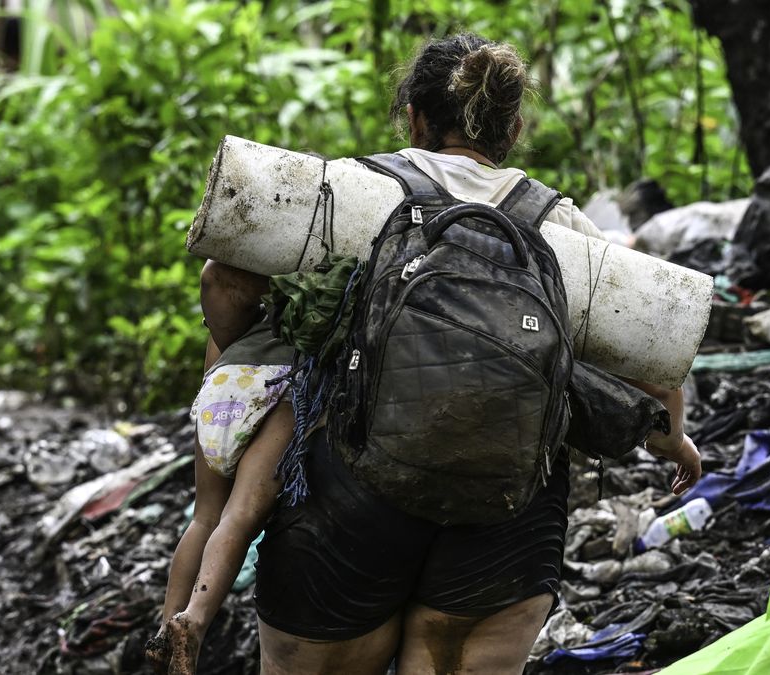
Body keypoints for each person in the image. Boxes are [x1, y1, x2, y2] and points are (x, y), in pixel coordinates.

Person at [248, 33, 702, 674]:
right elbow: (656, 366)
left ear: (415, 118)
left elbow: (226, 276)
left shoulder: (352, 194)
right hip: (507, 516)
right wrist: (674, 443)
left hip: (348, 504)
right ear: (513, 126)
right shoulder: (565, 230)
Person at [146, 266, 293, 675]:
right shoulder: (312, 303)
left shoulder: (232, 319)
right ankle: (194, 618)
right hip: (279, 389)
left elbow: (214, 279)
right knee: (240, 515)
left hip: (222, 388)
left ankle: (164, 630)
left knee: (205, 516)